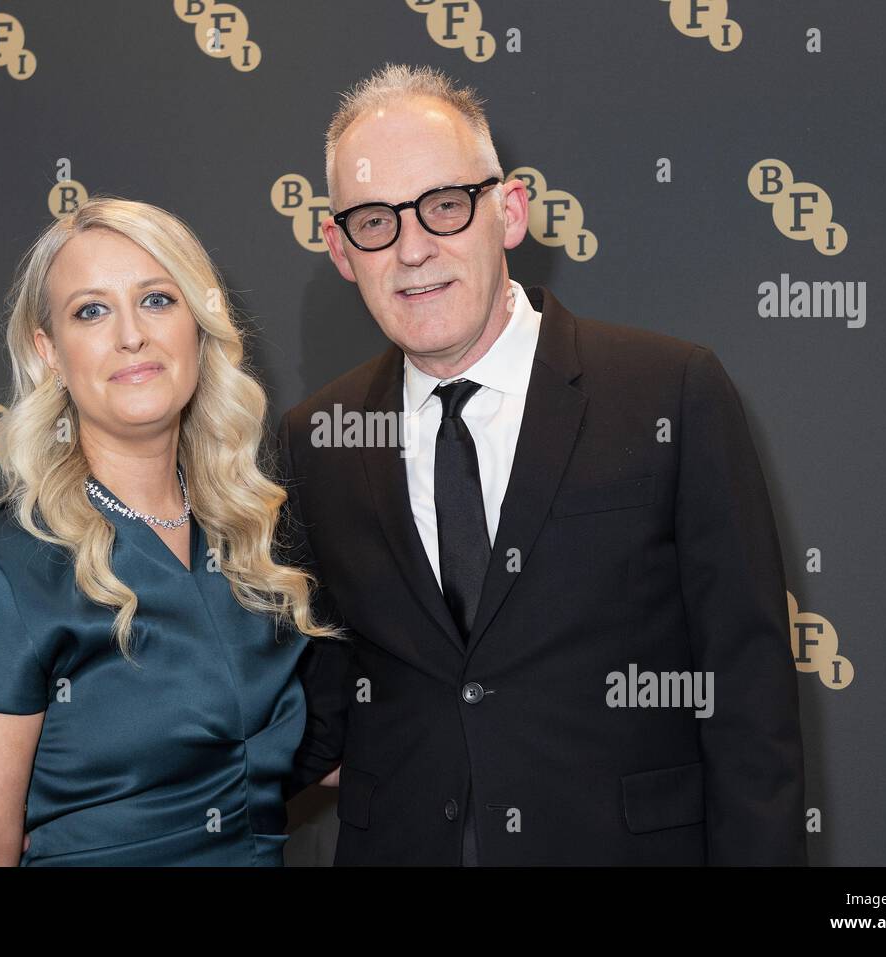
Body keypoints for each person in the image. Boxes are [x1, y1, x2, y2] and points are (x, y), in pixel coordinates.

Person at [276, 64, 807, 865]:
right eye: (375, 221)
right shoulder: (317, 437)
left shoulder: (669, 390)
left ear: (511, 211)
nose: (413, 248)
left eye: (445, 206)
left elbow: (748, 694)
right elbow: (313, 701)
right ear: (341, 249)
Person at [0, 197, 340, 866]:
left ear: (199, 323)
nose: (132, 335)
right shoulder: (7, 577)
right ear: (50, 353)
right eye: (90, 311)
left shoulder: (249, 541)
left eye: (157, 300)